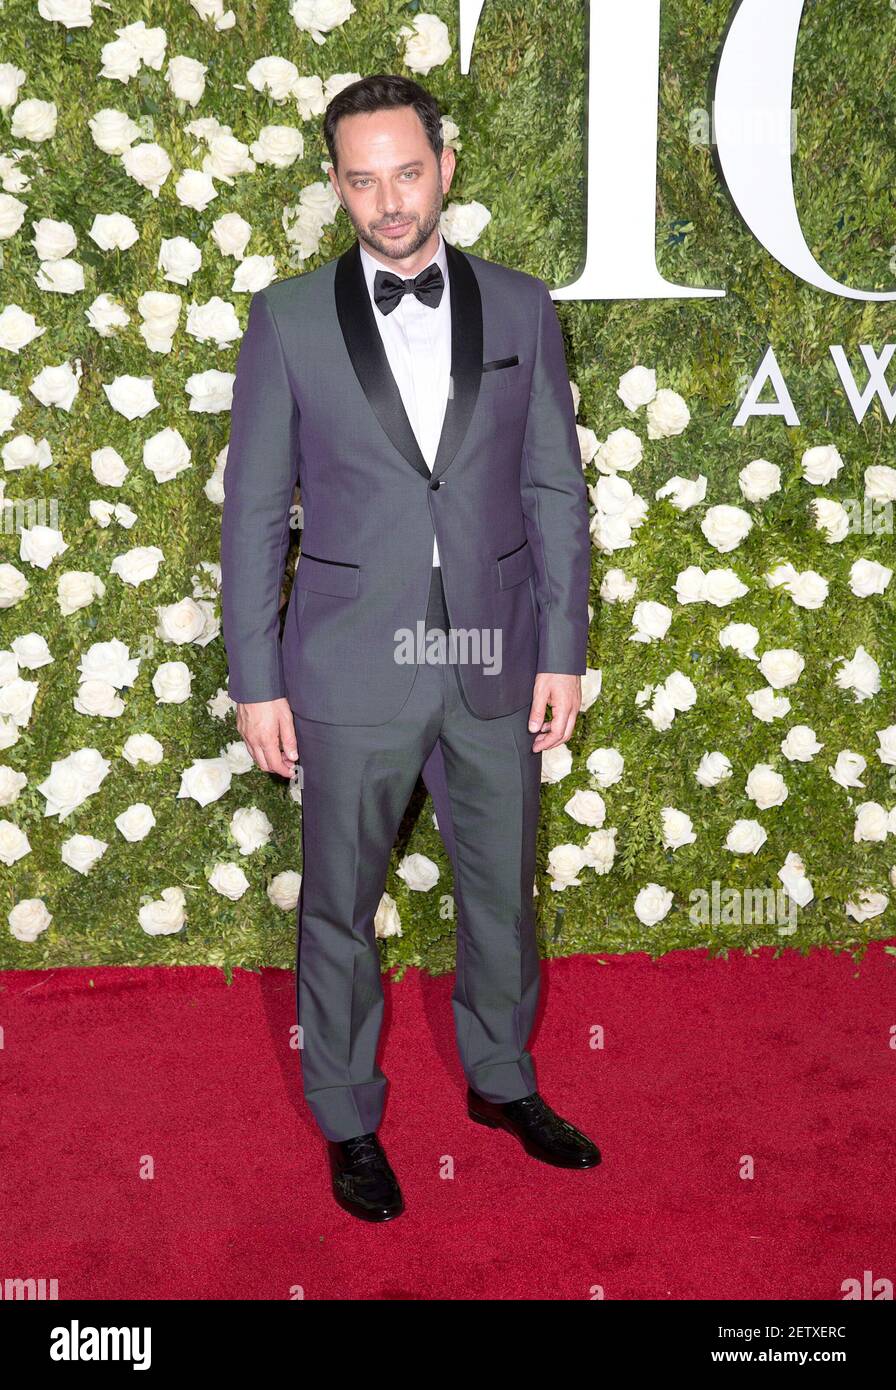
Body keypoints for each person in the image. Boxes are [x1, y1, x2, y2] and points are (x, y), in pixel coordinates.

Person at [220, 73, 600, 1223]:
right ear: (335, 185)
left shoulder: (523, 307)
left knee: (500, 891)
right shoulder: (286, 318)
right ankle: (345, 1112)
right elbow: (252, 511)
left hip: (498, 652)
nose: (387, 201)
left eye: (405, 170)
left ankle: (501, 1079)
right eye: (360, 177)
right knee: (337, 902)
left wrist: (563, 648)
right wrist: (255, 680)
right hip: (343, 666)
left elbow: (551, 486)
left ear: (443, 166)